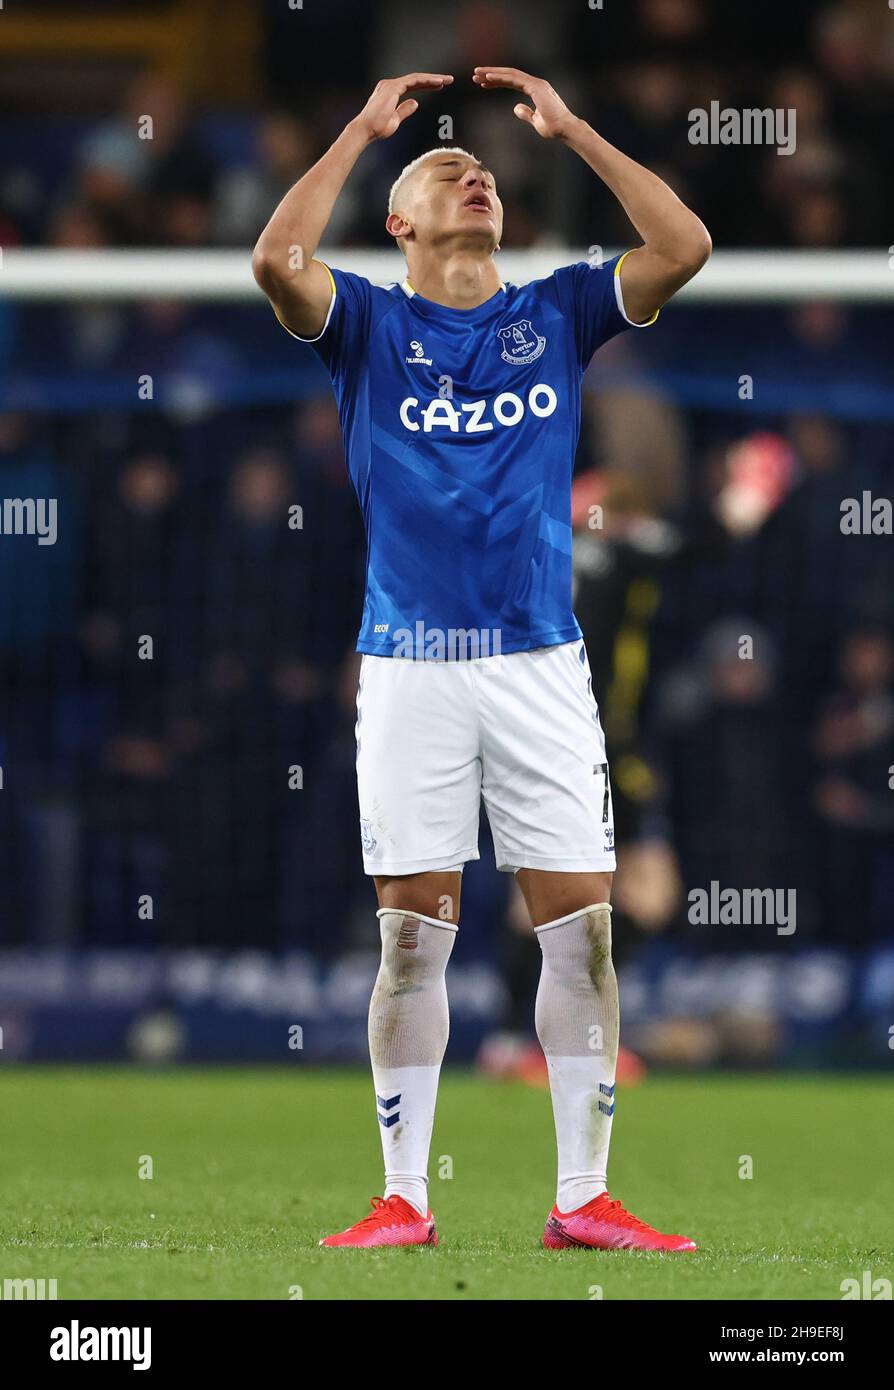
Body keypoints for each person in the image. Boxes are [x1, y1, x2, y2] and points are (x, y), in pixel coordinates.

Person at [252, 68, 710, 1251]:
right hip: (408, 662)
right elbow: (273, 264)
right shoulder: (365, 322)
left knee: (583, 926)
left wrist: (575, 131)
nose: (475, 172)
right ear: (398, 221)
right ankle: (403, 1196)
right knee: (413, 934)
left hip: (540, 662)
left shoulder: (557, 309)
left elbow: (685, 242)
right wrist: (357, 129)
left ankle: (582, 1197)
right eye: (443, 172)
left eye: (488, 171)